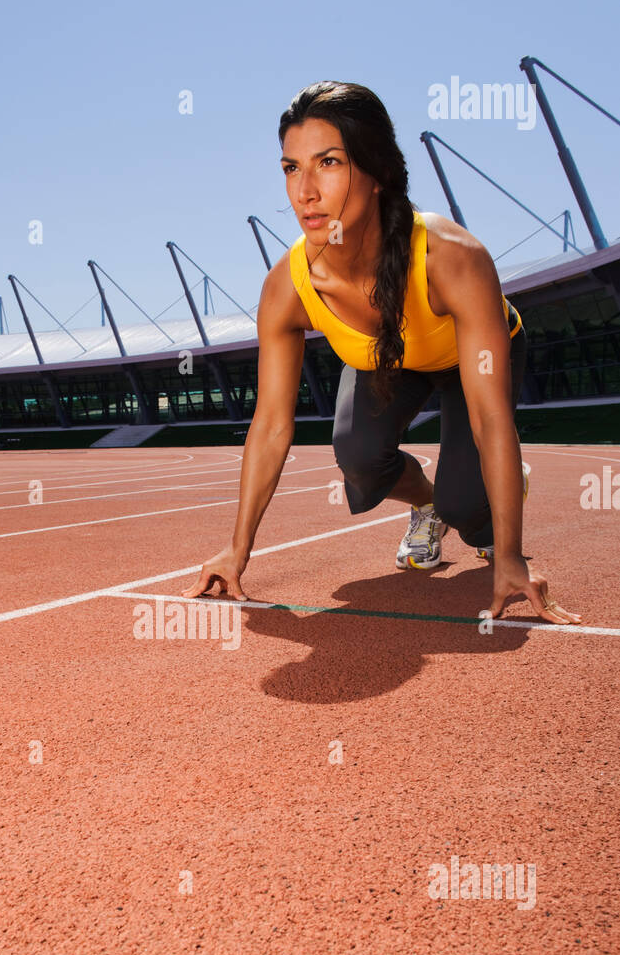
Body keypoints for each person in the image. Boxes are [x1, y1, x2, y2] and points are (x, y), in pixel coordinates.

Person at [183, 81, 580, 626]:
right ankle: (429, 504)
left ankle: (482, 510)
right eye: (290, 168)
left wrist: (508, 558)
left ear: (376, 174)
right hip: (391, 362)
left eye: (328, 162)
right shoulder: (287, 286)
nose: (305, 191)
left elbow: (491, 418)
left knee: (468, 506)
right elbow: (272, 424)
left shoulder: (451, 258)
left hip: (469, 359)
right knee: (357, 456)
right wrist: (236, 549)